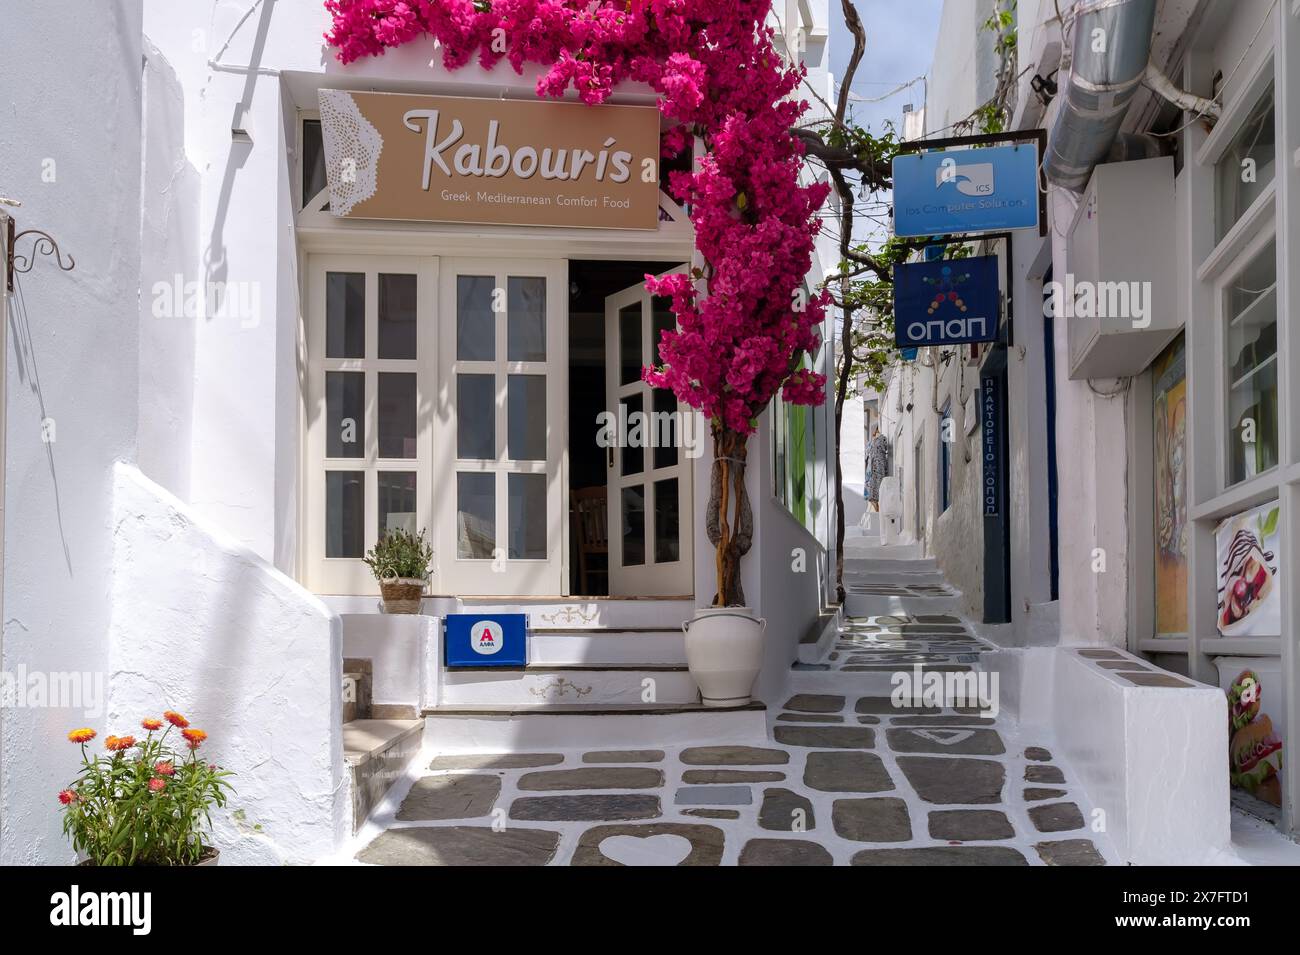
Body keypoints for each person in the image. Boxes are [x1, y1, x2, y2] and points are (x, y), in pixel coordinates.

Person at [865, 425, 890, 512]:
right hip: (873, 467)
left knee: (879, 484)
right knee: (873, 487)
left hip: (879, 465)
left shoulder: (882, 438)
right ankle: (876, 505)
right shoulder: (871, 442)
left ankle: (879, 505)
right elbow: (867, 456)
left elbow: (886, 448)